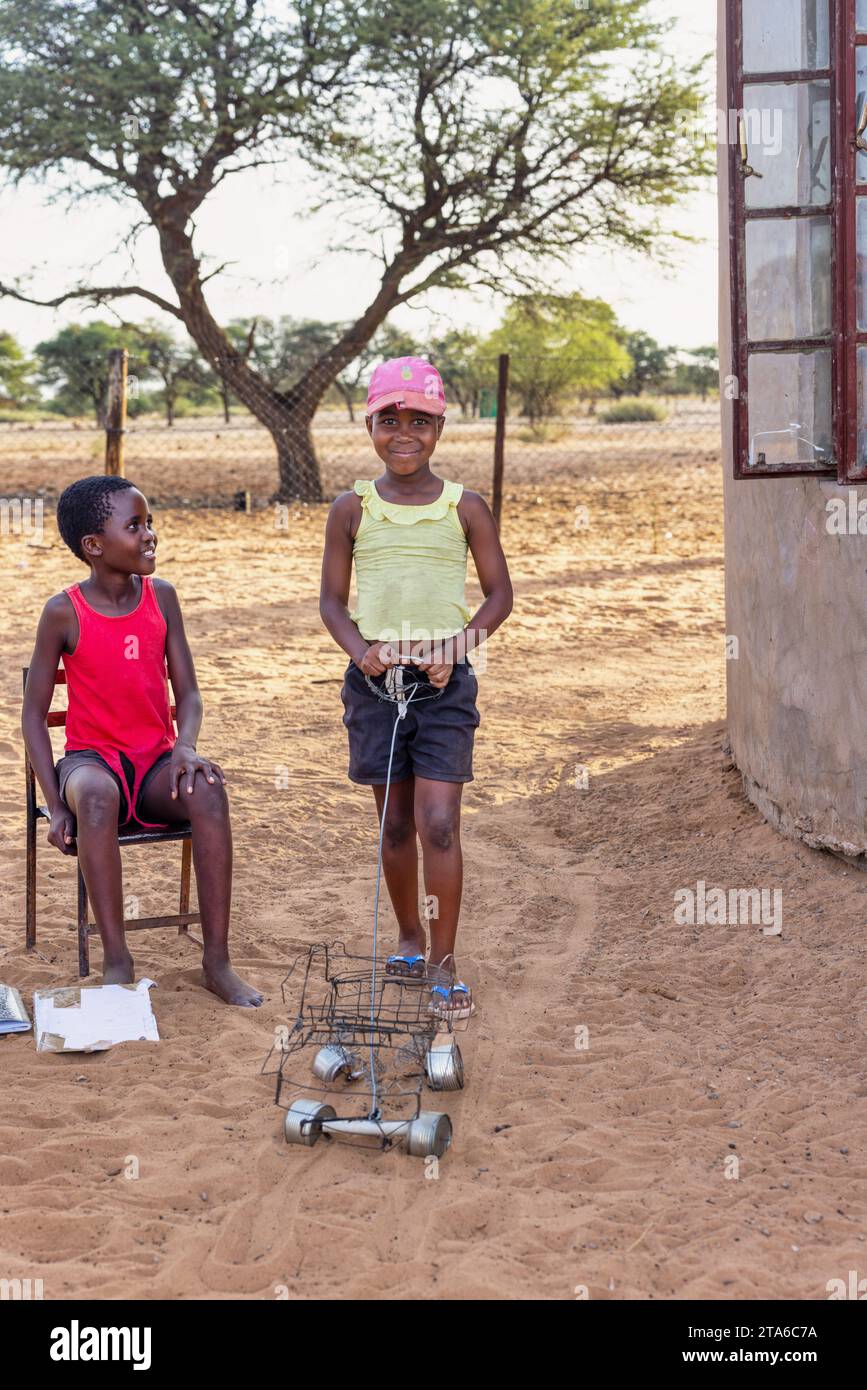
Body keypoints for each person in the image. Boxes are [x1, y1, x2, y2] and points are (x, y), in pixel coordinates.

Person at [21, 475, 262, 1007]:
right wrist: (57, 806)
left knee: (208, 790)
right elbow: (33, 718)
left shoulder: (162, 598)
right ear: (94, 545)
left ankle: (217, 962)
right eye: (135, 525)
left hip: (157, 764)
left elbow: (190, 693)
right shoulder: (64, 612)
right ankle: (117, 960)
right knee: (98, 799)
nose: (150, 534)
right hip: (91, 764)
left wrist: (186, 747)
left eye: (150, 522)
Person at [319, 357, 513, 1017]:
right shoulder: (352, 508)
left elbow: (498, 596)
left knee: (438, 823)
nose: (404, 434)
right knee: (394, 825)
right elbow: (331, 604)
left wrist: (454, 649)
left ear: (439, 427)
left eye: (419, 422)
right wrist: (362, 652)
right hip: (375, 686)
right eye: (389, 420)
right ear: (369, 423)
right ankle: (407, 934)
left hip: (444, 684)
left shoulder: (464, 507)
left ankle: (445, 958)